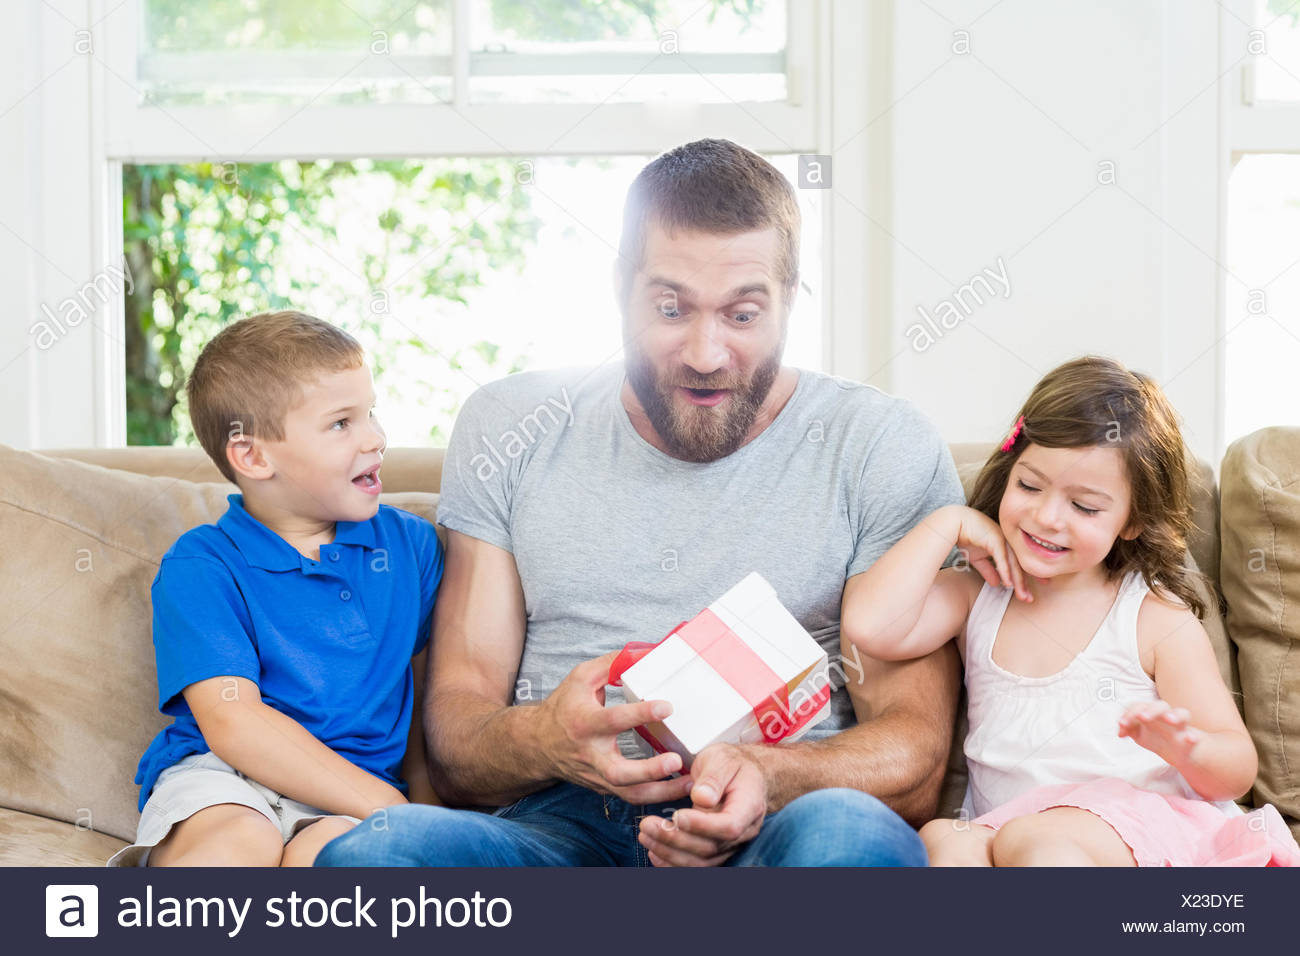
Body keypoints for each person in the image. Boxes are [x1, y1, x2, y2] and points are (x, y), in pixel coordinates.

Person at [316, 138, 965, 868]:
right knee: (374, 856)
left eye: (743, 314)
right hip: (561, 826)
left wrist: (765, 774)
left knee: (847, 838)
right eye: (669, 307)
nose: (705, 352)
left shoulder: (880, 442)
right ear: (619, 289)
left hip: (781, 824)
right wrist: (548, 739)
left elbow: (914, 753)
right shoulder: (510, 425)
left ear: (791, 299)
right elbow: (460, 742)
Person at [843, 356, 1300, 866]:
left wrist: (1187, 751)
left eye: (1084, 507)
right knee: (944, 841)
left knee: (1039, 842)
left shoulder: (1153, 620)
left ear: (1132, 521)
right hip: (1010, 826)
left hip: (1138, 833)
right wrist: (948, 524)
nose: (1046, 517)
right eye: (1029, 486)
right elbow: (870, 628)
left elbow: (1237, 768)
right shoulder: (979, 596)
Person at [108, 311, 444, 867]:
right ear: (254, 456)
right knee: (240, 843)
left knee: (337, 863)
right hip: (224, 779)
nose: (376, 439)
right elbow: (235, 723)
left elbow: (424, 703)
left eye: (371, 415)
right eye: (342, 423)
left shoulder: (411, 550)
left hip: (350, 800)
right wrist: (389, 806)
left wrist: (428, 823)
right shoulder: (203, 564)